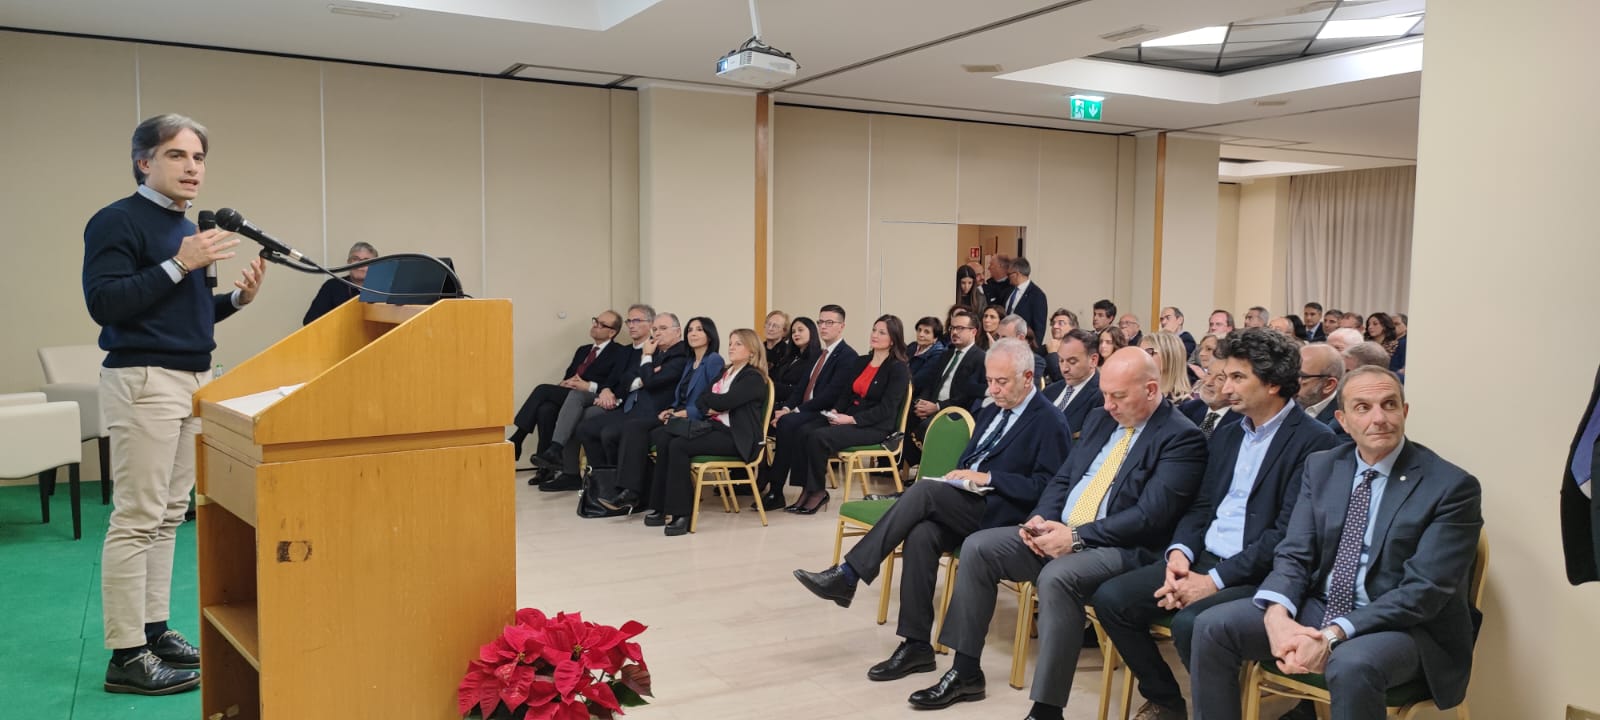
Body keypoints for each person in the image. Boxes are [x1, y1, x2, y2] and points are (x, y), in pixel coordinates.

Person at [908, 348, 1207, 716]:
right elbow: (1063, 478)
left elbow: (1150, 517)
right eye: (1105, 394)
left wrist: (1077, 538)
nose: (1109, 405)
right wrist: (1039, 519)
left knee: (1058, 577)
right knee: (979, 547)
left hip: (1123, 549)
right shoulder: (1101, 419)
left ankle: (1047, 708)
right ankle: (965, 670)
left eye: (1119, 396)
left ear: (1150, 389)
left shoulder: (1182, 437)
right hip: (1063, 531)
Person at [84, 114, 267, 695]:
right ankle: (126, 655)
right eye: (177, 156)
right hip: (143, 380)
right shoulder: (117, 220)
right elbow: (106, 302)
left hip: (193, 380)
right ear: (145, 161)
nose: (193, 168)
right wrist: (181, 263)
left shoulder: (187, 231)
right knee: (136, 519)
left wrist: (236, 298)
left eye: (199, 158)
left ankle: (155, 631)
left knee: (168, 516)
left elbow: (186, 314)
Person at [1190, 367, 1484, 720]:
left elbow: (1425, 592)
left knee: (1350, 663)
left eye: (1389, 405)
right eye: (1363, 408)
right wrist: (1277, 614)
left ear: (1404, 412)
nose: (1379, 418)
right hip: (1322, 603)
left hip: (1406, 627)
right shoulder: (1324, 466)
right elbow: (1294, 553)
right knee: (1212, 626)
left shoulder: (1451, 487)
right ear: (1342, 420)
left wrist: (1332, 635)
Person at [1092, 328, 1338, 720]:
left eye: (1238, 377)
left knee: (1193, 623)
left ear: (1273, 383)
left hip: (1259, 572)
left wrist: (1212, 582)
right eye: (1225, 375)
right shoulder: (1228, 429)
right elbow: (1201, 504)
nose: (1225, 386)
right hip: (1205, 556)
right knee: (1112, 600)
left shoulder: (1315, 442)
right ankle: (1167, 700)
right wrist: (1180, 555)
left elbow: (1286, 536)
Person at [791, 339, 1072, 680]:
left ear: (1028, 377)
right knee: (921, 534)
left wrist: (988, 477)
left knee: (923, 490)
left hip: (1002, 513)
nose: (994, 389)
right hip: (969, 500)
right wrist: (963, 477)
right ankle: (916, 645)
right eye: (990, 381)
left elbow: (1047, 487)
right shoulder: (990, 411)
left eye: (1002, 382)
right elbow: (968, 460)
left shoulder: (1049, 420)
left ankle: (850, 573)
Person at [637, 328, 768, 536]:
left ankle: (682, 514)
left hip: (737, 438)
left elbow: (725, 401)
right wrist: (714, 405)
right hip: (715, 428)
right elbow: (702, 398)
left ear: (752, 351)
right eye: (731, 342)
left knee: (678, 446)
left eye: (738, 344)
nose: (731, 347)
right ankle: (661, 506)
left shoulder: (753, 377)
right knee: (663, 437)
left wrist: (714, 404)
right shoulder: (726, 372)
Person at [782, 315, 912, 514]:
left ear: (893, 339)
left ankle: (817, 491)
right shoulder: (862, 361)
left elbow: (887, 408)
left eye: (882, 332)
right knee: (802, 430)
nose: (875, 335)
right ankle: (805, 489)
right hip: (848, 417)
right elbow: (845, 394)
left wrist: (851, 419)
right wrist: (836, 411)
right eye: (874, 330)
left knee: (818, 437)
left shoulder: (898, 369)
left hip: (875, 426)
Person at [602, 317, 722, 510]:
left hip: (694, 418)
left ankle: (636, 493)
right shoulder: (691, 361)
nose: (693, 333)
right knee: (633, 428)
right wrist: (671, 409)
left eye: (699, 330)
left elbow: (710, 396)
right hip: (675, 413)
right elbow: (679, 394)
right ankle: (630, 491)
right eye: (690, 329)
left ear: (710, 335)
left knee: (642, 431)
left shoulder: (713, 360)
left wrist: (683, 412)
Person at [559, 313, 688, 492]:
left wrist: (647, 362)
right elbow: (626, 378)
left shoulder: (680, 355)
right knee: (585, 428)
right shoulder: (654, 352)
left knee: (609, 433)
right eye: (656, 329)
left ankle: (620, 485)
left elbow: (651, 381)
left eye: (663, 329)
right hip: (633, 408)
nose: (657, 333)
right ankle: (602, 481)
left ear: (678, 332)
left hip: (653, 411)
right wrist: (642, 377)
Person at [764, 305, 861, 508]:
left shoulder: (847, 356)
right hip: (808, 410)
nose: (823, 327)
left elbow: (831, 394)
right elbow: (800, 389)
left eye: (829, 322)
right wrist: (788, 408)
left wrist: (796, 411)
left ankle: (778, 488)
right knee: (785, 420)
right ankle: (782, 488)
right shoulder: (819, 354)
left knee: (790, 424)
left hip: (826, 411)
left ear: (841, 326)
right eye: (820, 322)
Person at [509, 311, 627, 463]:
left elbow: (614, 384)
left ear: (612, 332)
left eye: (601, 324)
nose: (595, 325)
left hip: (593, 396)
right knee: (546, 409)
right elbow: (569, 375)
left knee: (542, 389)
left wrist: (589, 386)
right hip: (571, 392)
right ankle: (546, 464)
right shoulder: (583, 350)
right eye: (595, 321)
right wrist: (565, 382)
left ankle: (518, 439)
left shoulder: (619, 352)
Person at [906, 309, 986, 468]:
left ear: (973, 332)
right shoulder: (947, 354)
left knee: (925, 427)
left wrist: (937, 407)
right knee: (905, 417)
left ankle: (934, 468)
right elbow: (932, 383)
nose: (955, 332)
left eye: (960, 328)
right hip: (934, 406)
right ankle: (908, 466)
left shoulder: (980, 358)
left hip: (956, 411)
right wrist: (924, 403)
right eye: (952, 328)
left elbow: (969, 395)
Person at [1040, 329, 1103, 436]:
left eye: (1072, 362)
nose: (1064, 369)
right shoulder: (1050, 391)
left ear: (1093, 360)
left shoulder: (1102, 396)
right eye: (1060, 360)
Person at [302, 241, 379, 324]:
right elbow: (310, 321)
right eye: (355, 259)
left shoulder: (383, 290)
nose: (360, 264)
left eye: (366, 261)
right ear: (349, 263)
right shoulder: (332, 286)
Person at [1179, 356, 1243, 440]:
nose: (1208, 382)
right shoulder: (1188, 409)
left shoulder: (1242, 422)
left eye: (1220, 378)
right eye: (1208, 373)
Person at [1298, 342, 1347, 437]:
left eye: (1301, 376)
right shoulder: (1283, 404)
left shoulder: (1342, 424)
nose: (1290, 380)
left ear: (1328, 385)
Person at [771, 316, 819, 404]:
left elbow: (804, 391)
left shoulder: (817, 358)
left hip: (795, 406)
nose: (796, 334)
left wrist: (774, 387)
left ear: (811, 332)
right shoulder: (789, 358)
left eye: (800, 330)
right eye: (793, 332)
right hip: (776, 401)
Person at [999, 257, 1048, 342]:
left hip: (1022, 344)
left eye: (1009, 274)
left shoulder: (1037, 295)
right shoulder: (1007, 291)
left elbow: (1039, 329)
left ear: (1017, 274)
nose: (1007, 277)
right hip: (1003, 341)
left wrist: (1033, 351)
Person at [1140, 331, 1192, 405]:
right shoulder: (1139, 395)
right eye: (1140, 353)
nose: (1141, 358)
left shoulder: (1186, 405)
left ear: (1169, 356)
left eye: (1149, 352)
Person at [906, 316, 947, 381]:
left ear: (935, 338)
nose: (921, 334)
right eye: (919, 330)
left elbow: (918, 380)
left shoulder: (938, 354)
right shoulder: (912, 346)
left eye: (926, 332)